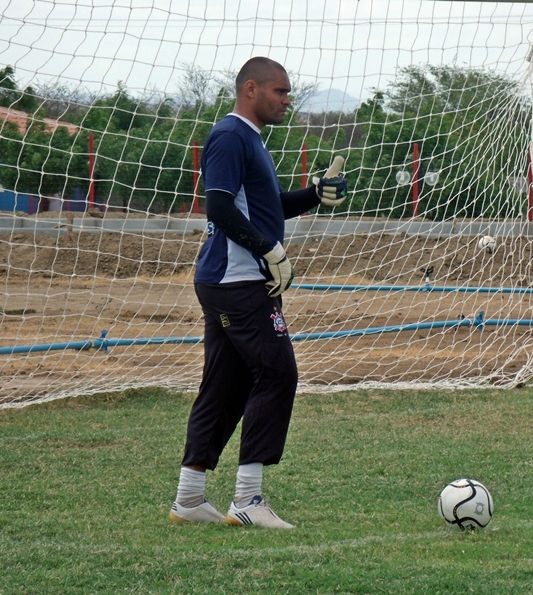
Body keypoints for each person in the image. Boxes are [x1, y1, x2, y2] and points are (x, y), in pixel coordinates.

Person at [169, 56, 347, 528]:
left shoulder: (251, 140)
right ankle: (248, 500)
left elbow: (265, 207)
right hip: (239, 280)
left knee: (225, 384)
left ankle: (189, 500)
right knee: (277, 372)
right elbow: (221, 209)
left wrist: (315, 192)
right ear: (251, 88)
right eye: (280, 92)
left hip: (233, 279)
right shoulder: (229, 136)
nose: (287, 100)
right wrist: (270, 251)